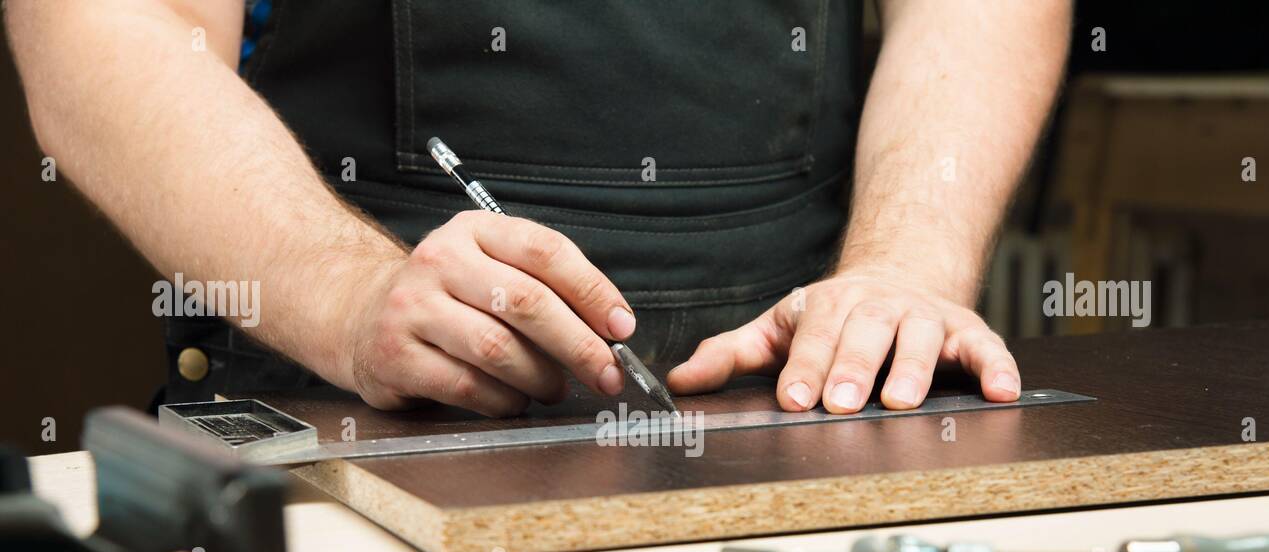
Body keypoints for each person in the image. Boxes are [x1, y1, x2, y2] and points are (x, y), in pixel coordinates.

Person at [7, 0, 1069, 417]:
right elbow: (110, 22)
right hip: (351, 428)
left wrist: (906, 268)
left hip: (802, 415)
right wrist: (343, 292)